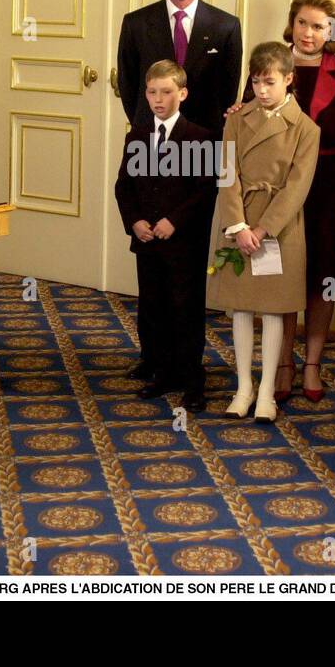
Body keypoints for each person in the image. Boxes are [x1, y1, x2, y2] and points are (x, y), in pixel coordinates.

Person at [232, 0, 335, 402]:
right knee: (285, 273)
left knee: (323, 277)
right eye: (303, 23)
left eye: (319, 26)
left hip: (328, 186)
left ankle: (312, 363)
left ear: (332, 30)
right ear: (292, 23)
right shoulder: (271, 63)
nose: (309, 33)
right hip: (279, 189)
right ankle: (283, 365)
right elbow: (247, 115)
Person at [208, 41, 320, 424]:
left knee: (273, 308)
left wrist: (263, 229)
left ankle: (268, 391)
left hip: (278, 229)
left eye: (270, 82)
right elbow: (226, 173)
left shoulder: (306, 129)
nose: (261, 90)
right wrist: (238, 225)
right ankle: (243, 387)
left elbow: (297, 187)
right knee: (240, 306)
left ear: (289, 79)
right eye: (256, 82)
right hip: (237, 221)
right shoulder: (237, 118)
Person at [113, 60, 218, 412]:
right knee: (152, 305)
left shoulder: (199, 137)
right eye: (153, 92)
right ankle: (160, 369)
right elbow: (124, 187)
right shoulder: (137, 135)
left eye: (167, 92)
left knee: (185, 307)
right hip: (147, 240)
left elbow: (205, 192)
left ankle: (191, 377)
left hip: (184, 242)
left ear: (182, 94)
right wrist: (135, 221)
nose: (159, 99)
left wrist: (174, 220)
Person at [116, 0, 243, 133]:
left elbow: (228, 90)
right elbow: (128, 85)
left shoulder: (226, 27)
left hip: (205, 137)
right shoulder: (136, 24)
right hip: (150, 136)